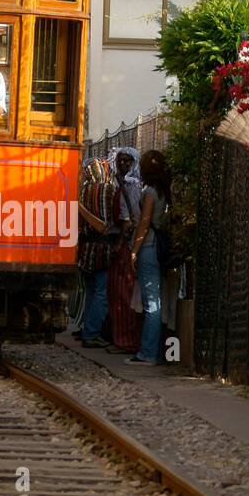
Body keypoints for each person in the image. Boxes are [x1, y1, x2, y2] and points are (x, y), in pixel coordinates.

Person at [127, 150, 171, 365]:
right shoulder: (165, 192)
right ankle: (151, 350)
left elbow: (144, 223)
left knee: (151, 301)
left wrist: (134, 250)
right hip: (160, 246)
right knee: (154, 299)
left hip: (149, 246)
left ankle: (148, 352)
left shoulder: (149, 192)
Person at [76, 156, 118, 348]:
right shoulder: (107, 189)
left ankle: (86, 328)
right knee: (102, 293)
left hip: (85, 250)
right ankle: (91, 333)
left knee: (91, 292)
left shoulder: (82, 191)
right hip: (103, 248)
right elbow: (105, 225)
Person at [105, 146, 143, 354]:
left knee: (123, 295)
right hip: (124, 246)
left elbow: (130, 221)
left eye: (128, 161)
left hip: (125, 247)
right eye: (120, 160)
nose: (123, 164)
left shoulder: (130, 186)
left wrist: (119, 244)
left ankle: (126, 340)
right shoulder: (123, 184)